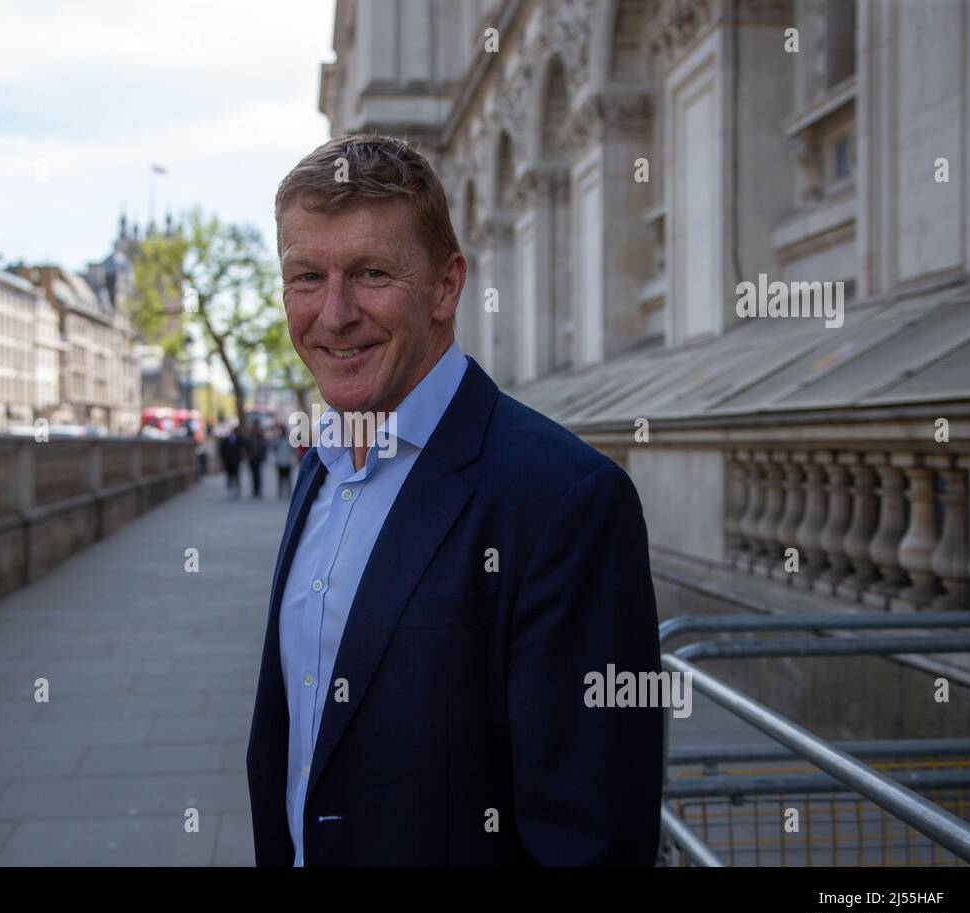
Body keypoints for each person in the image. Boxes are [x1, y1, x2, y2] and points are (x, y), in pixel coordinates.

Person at [246, 134, 663, 866]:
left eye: (371, 273)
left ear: (446, 286)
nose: (333, 313)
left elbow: (593, 839)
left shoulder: (565, 500)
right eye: (306, 277)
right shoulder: (319, 464)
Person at [218, 423, 243, 499]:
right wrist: (223, 459)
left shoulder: (239, 439)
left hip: (236, 461)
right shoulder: (226, 440)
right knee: (229, 476)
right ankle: (229, 490)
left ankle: (237, 490)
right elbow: (222, 450)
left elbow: (242, 449)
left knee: (236, 476)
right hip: (228, 461)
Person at [243, 421, 267, 498]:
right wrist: (247, 455)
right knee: (253, 474)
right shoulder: (249, 436)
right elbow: (246, 446)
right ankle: (254, 489)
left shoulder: (260, 436)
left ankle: (258, 489)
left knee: (258, 474)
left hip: (258, 457)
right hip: (252, 457)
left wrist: (264, 456)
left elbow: (264, 446)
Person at [272, 426, 295, 499]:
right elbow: (274, 449)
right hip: (280, 461)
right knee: (280, 478)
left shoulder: (289, 441)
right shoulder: (277, 441)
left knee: (288, 478)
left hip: (287, 461)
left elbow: (293, 450)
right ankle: (280, 491)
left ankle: (289, 491)